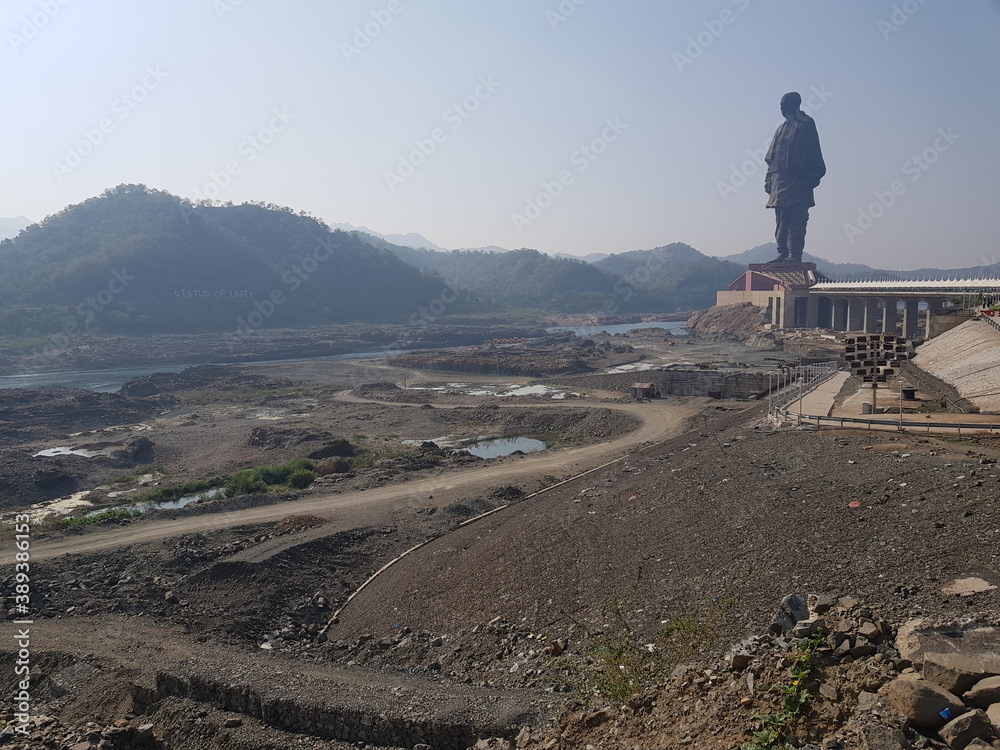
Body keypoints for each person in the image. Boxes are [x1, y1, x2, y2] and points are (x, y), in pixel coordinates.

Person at [764, 92, 825, 263]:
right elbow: (771, 158)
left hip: (799, 178)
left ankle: (794, 254)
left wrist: (812, 176)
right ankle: (782, 251)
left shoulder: (807, 124)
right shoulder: (780, 128)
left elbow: (814, 151)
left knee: (797, 218)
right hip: (779, 179)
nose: (781, 107)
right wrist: (768, 178)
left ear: (795, 104)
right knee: (781, 219)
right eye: (780, 104)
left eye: (784, 103)